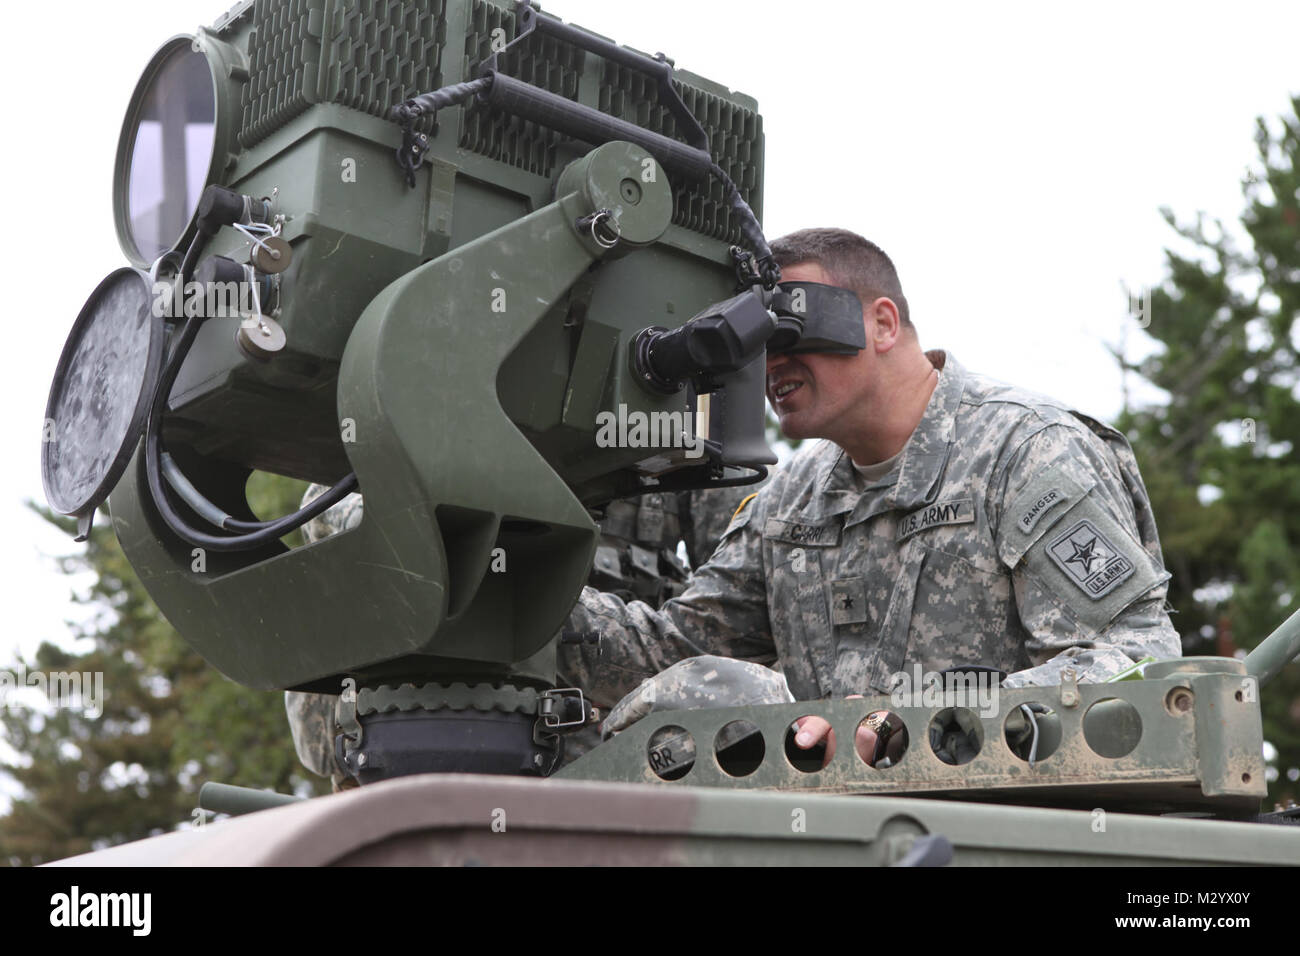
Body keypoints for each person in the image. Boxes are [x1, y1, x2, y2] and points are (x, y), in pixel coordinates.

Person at [558, 227, 1181, 762]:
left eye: (790, 331)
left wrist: (912, 725)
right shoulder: (793, 496)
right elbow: (671, 651)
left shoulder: (1028, 453)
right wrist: (514, 594)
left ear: (882, 323)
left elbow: (1129, 660)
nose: (771, 365)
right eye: (755, 344)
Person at [285, 484, 764, 787]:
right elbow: (324, 506)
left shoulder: (661, 397)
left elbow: (726, 619)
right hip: (417, 719)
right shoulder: (430, 368)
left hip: (606, 720)